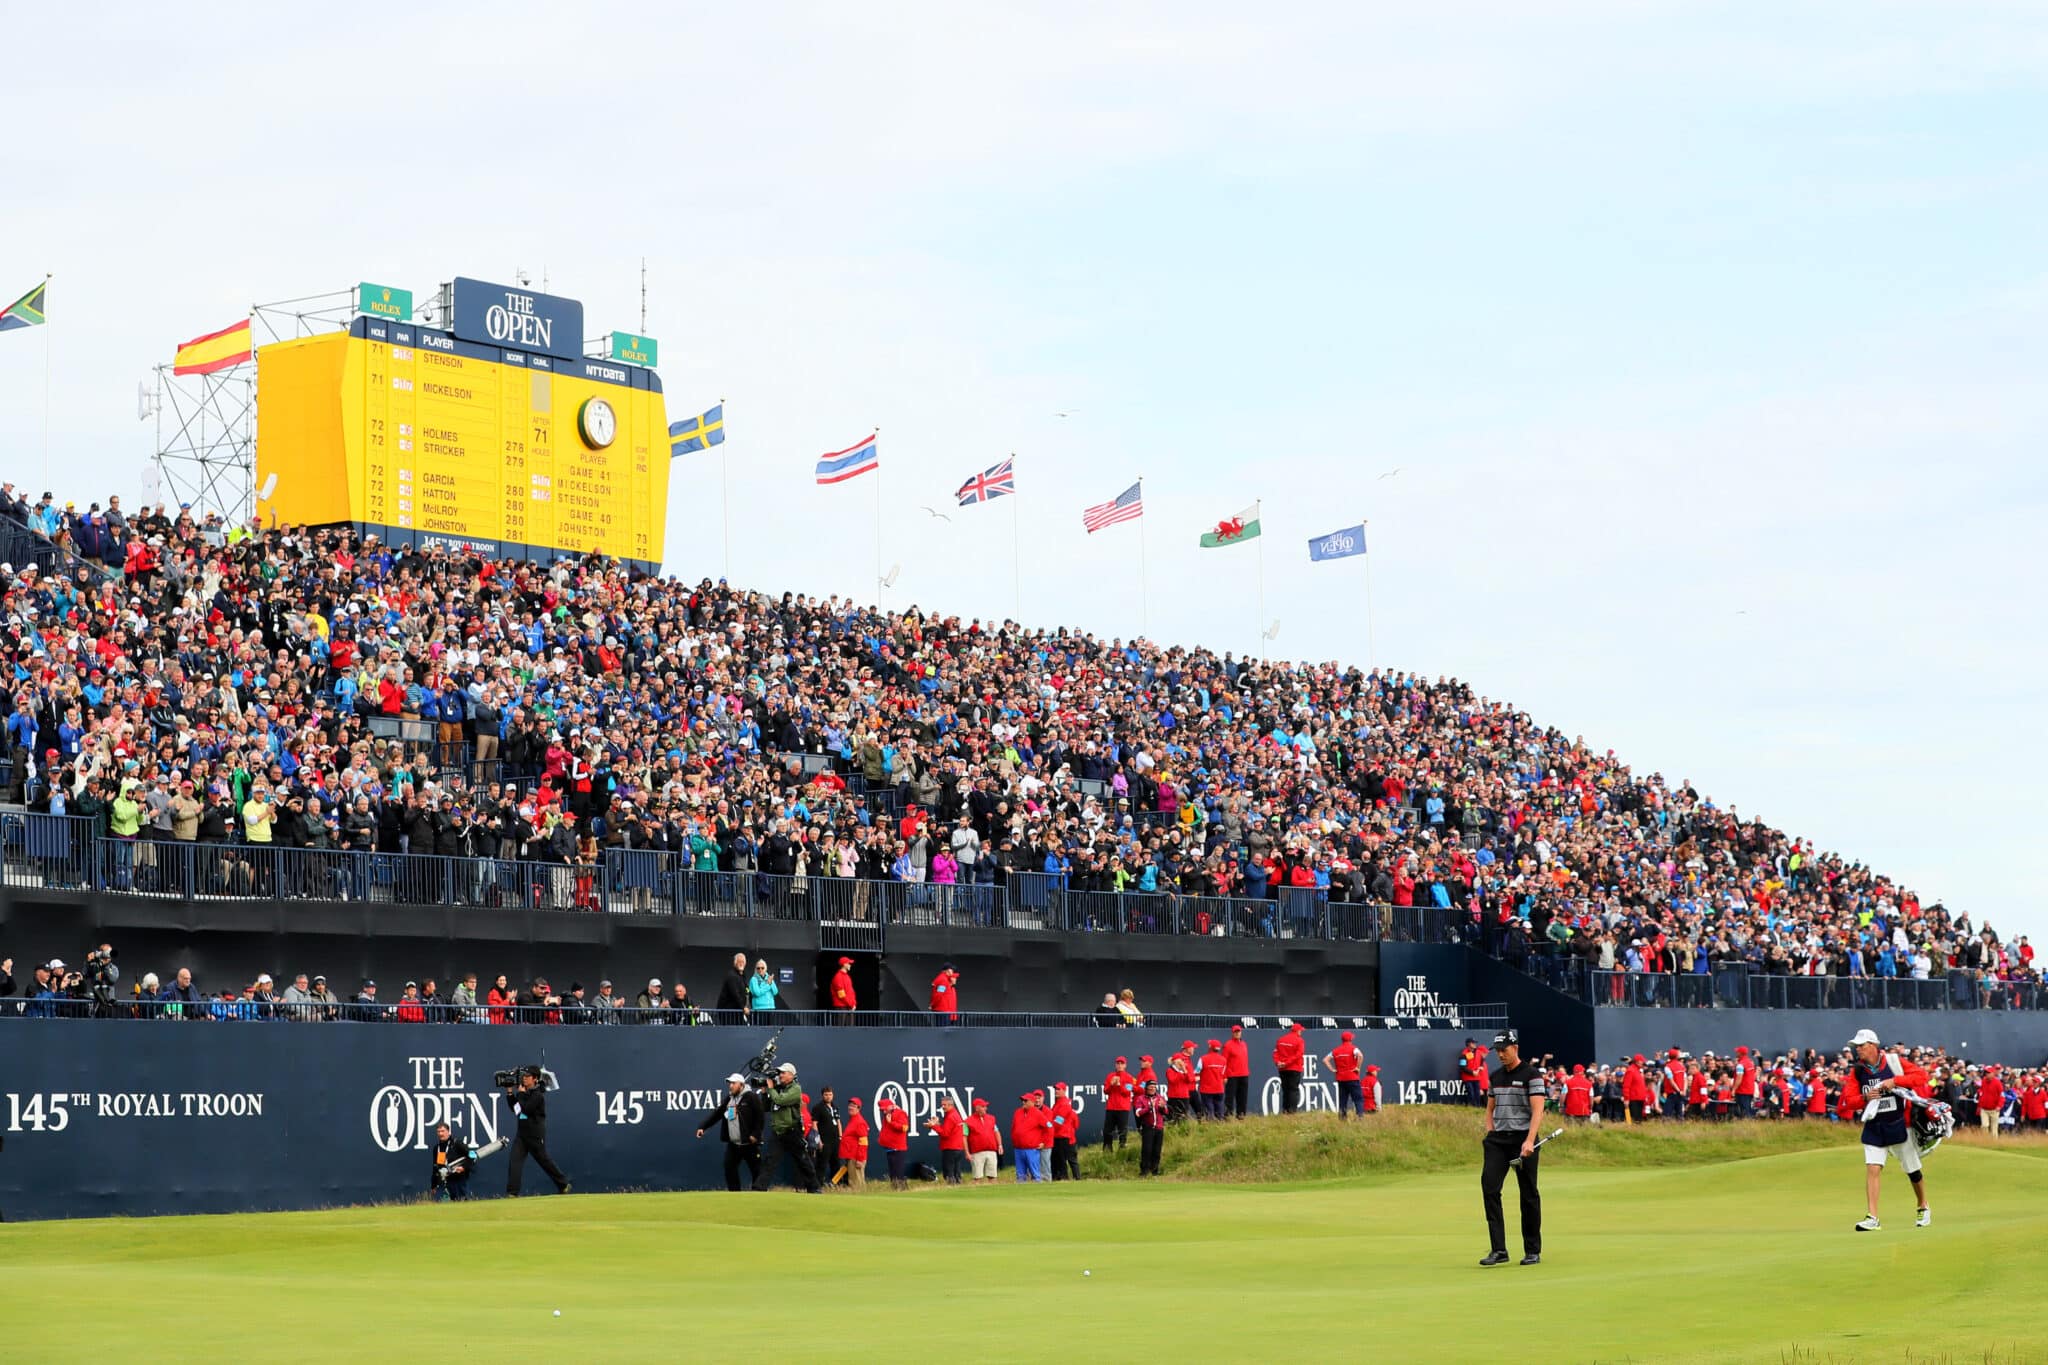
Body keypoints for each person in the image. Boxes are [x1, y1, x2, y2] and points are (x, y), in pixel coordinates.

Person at [1843, 1028, 1931, 1231]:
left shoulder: (1893, 1062)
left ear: (1873, 1045)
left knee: (1912, 1170)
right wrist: (1865, 1098)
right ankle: (1873, 1216)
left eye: (1862, 1046)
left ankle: (1923, 1206)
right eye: (1856, 1047)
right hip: (1874, 1126)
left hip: (1898, 1124)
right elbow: (1848, 1101)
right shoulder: (1857, 1071)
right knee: (1873, 1168)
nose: (1858, 1050)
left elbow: (1921, 1076)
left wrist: (1895, 1081)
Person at [1478, 1028, 1546, 1267]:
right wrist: (1490, 1133)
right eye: (1497, 1051)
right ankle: (1499, 1249)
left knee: (1528, 1194)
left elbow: (1538, 1109)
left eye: (1503, 1050)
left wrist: (1530, 1140)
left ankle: (1532, 1250)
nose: (1500, 1055)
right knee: (1489, 1188)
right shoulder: (1496, 1076)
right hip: (1498, 1142)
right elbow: (1490, 1108)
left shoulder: (1532, 1075)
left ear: (1515, 1048)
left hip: (1523, 1140)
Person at [502, 1066, 570, 1197]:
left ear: (535, 1079)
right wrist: (510, 1093)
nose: (524, 1078)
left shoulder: (538, 1095)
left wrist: (520, 1094)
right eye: (524, 1076)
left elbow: (526, 1109)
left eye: (527, 1076)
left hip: (534, 1135)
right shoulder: (524, 1093)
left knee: (544, 1161)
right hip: (522, 1134)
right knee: (514, 1161)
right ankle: (512, 1192)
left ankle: (563, 1184)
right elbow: (516, 1109)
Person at [696, 1072, 767, 1191]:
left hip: (749, 1143)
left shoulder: (751, 1097)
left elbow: (760, 1117)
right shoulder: (730, 1099)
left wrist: (755, 1134)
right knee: (729, 1168)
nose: (731, 1086)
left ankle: (758, 1194)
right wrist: (703, 1127)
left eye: (734, 1083)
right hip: (734, 1144)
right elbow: (717, 1114)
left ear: (741, 1084)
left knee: (757, 1170)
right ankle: (735, 1195)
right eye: (730, 1083)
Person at [766, 1062, 820, 1192]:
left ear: (791, 1075)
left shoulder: (796, 1089)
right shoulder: (780, 1088)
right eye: (780, 1073)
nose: (780, 1075)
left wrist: (771, 1089)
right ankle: (759, 1188)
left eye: (783, 1073)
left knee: (803, 1160)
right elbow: (768, 1104)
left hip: (792, 1130)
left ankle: (814, 1188)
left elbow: (779, 1100)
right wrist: (766, 1091)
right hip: (779, 1130)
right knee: (770, 1160)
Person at [429, 1121, 476, 1201]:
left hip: (459, 1181)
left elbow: (473, 1156)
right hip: (445, 1182)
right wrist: (433, 1185)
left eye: (443, 1131)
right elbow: (435, 1167)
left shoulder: (457, 1143)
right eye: (438, 1131)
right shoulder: (437, 1148)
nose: (440, 1134)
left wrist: (463, 1168)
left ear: (448, 1132)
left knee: (463, 1203)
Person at [1325, 1030, 1366, 1119]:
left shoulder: (1336, 1050)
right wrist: (1357, 1067)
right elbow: (1361, 1056)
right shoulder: (1354, 1048)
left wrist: (1332, 1069)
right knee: (1358, 1098)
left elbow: (1325, 1060)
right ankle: (1360, 1115)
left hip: (1341, 1078)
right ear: (1351, 1039)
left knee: (1343, 1100)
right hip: (1352, 1077)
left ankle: (1342, 1117)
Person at [1011, 1093, 1048, 1182]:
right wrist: (1014, 1140)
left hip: (1032, 1149)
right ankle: (1020, 1193)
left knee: (1035, 1174)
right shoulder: (1017, 1112)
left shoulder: (1038, 1113)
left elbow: (1049, 1128)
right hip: (1018, 1148)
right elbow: (1013, 1127)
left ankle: (1038, 1192)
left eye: (1025, 1100)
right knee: (1020, 1175)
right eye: (1022, 1100)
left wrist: (1044, 1142)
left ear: (1032, 1102)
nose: (1023, 1102)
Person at [1047, 1083, 1081, 1181]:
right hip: (1058, 1136)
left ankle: (1067, 1178)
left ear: (1064, 1090)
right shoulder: (1057, 1104)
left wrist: (1047, 1127)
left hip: (1063, 1137)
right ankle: (1061, 1178)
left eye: (1058, 1089)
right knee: (1059, 1160)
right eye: (1055, 1089)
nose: (1056, 1091)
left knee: (1064, 1160)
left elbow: (1058, 1122)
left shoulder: (1065, 1105)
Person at [1135, 1079, 1168, 1176]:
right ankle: (1144, 1171)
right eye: (1150, 1087)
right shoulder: (1141, 1099)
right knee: (1146, 1150)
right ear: (1146, 1088)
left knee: (1157, 1150)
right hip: (1148, 1128)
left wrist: (1162, 1107)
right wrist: (1149, 1108)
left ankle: (1155, 1171)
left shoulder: (1160, 1098)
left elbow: (1166, 1112)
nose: (1152, 1089)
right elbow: (1138, 1113)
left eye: (1154, 1087)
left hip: (1159, 1128)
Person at [1101, 1057, 1136, 1150]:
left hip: (1123, 1109)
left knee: (1122, 1131)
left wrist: (1119, 1085)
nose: (1120, 1065)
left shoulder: (1129, 1077)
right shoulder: (1110, 1076)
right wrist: (1112, 1085)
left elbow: (1127, 1093)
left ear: (1125, 1065)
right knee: (1107, 1131)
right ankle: (1107, 1151)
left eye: (1122, 1063)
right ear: (1115, 1065)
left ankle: (1122, 1149)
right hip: (1111, 1108)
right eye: (1118, 1063)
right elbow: (1105, 1091)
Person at [877, 1095, 911, 1190]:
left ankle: (902, 1189)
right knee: (893, 1172)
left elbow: (904, 1128)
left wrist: (891, 1122)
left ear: (891, 1106)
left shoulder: (900, 1113)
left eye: (884, 1109)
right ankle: (895, 1189)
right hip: (889, 1148)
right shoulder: (886, 1115)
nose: (883, 1111)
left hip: (898, 1148)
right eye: (881, 1110)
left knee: (898, 1172)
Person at [965, 1097, 1003, 1181]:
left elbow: (996, 1131)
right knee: (977, 1177)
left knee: (992, 1176)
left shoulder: (991, 1118)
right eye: (983, 1106)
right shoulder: (968, 1121)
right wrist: (967, 1152)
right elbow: (964, 1137)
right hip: (977, 1153)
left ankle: (994, 1193)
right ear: (977, 1108)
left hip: (991, 1151)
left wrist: (1000, 1145)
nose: (985, 1108)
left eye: (985, 1106)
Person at [932, 1096, 967, 1184]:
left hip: (950, 1148)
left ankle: (952, 1186)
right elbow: (949, 1130)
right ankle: (958, 1187)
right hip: (958, 1148)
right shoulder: (955, 1114)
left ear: (951, 1105)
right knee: (956, 1172)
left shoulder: (951, 1116)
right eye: (942, 1105)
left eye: (945, 1105)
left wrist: (933, 1126)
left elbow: (945, 1133)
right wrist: (937, 1124)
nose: (943, 1107)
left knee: (949, 1173)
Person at [812, 1086, 843, 1185]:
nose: (828, 1097)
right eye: (826, 1095)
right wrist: (818, 1140)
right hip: (824, 1140)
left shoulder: (835, 1107)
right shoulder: (818, 1107)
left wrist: (840, 1137)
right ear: (822, 1096)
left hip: (835, 1140)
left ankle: (835, 1184)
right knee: (822, 1163)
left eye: (830, 1094)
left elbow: (838, 1122)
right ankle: (818, 1184)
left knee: (836, 1163)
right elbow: (814, 1124)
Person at [1273, 1022, 1306, 1114]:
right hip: (1294, 1068)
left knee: (1285, 1089)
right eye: (1301, 1031)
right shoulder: (1299, 1040)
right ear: (1298, 1031)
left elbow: (1275, 1053)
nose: (1301, 1032)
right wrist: (1286, 1063)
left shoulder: (1281, 1039)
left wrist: (1278, 1062)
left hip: (1282, 1069)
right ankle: (1292, 1111)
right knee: (1293, 1090)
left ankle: (1285, 1110)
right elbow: (1299, 1054)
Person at [838, 1096, 870, 1189]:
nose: (850, 1107)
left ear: (858, 1108)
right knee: (853, 1182)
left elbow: (864, 1142)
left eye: (853, 1106)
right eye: (850, 1105)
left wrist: (860, 1159)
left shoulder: (859, 1122)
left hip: (856, 1158)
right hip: (851, 1156)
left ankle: (861, 1201)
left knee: (857, 1184)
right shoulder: (853, 1120)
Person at [1224, 1023, 1251, 1118]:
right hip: (1232, 1075)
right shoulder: (1228, 1045)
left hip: (1244, 1074)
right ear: (1232, 1033)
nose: (1237, 1033)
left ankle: (1241, 1115)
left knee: (1243, 1097)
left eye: (1238, 1031)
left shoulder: (1244, 1044)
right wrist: (1225, 1076)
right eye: (1235, 1032)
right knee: (1230, 1097)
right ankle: (1228, 1116)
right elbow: (1224, 1061)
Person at [1198, 1039, 1228, 1119]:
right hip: (1219, 1089)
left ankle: (1210, 1127)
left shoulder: (1203, 1059)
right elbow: (1224, 1077)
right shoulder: (1223, 1060)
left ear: (1210, 1047)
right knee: (1219, 1113)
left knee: (1208, 1113)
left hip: (1206, 1090)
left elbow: (1197, 1072)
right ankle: (1219, 1128)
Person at [829, 956, 857, 1024]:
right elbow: (841, 995)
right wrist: (851, 1004)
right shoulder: (838, 977)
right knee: (840, 1030)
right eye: (849, 963)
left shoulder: (847, 977)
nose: (850, 965)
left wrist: (853, 1003)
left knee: (850, 1030)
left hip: (848, 1007)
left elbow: (851, 992)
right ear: (844, 964)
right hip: (841, 1007)